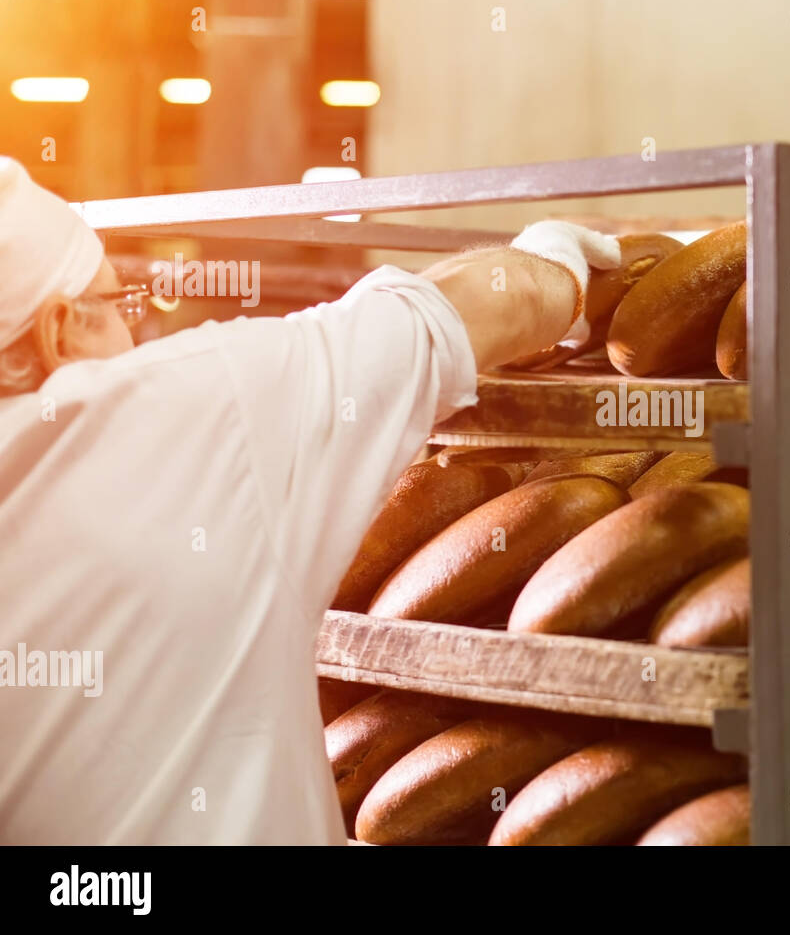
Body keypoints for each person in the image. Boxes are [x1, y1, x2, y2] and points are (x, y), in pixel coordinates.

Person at [0, 157, 619, 843]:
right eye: (120, 304)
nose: (134, 331)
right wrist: (554, 260)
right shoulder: (184, 411)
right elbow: (472, 307)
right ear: (61, 329)